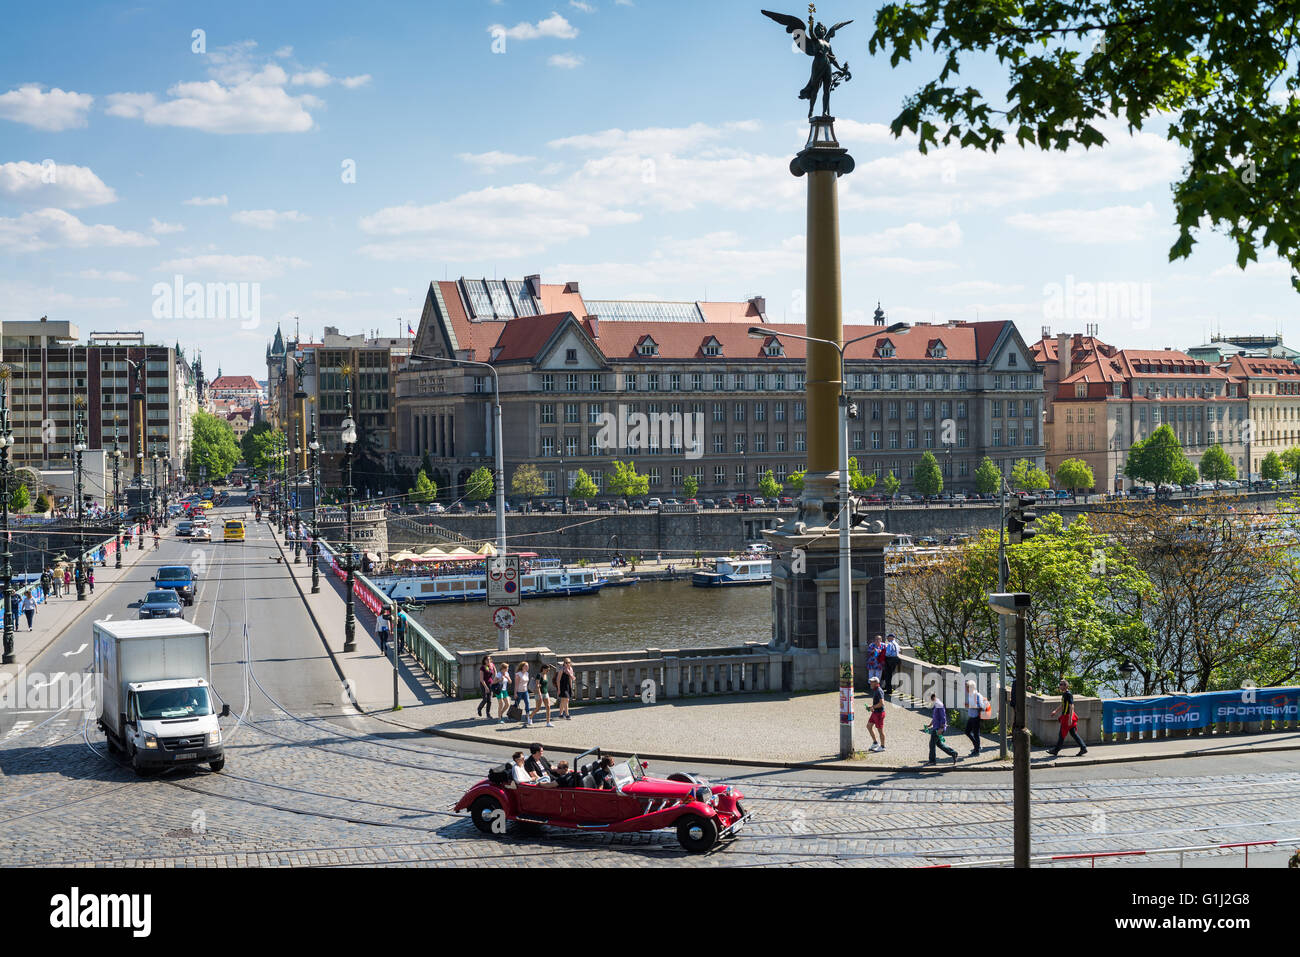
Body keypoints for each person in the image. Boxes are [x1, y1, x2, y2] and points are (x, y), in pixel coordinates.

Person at [1047, 679, 1088, 757]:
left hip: (1067, 717)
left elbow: (1071, 706)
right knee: (1073, 733)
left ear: (1066, 686)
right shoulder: (1064, 694)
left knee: (1062, 734)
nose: (1060, 686)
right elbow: (1063, 704)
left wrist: (1070, 719)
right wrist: (1055, 711)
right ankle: (1083, 747)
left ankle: (1056, 750)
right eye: (1060, 684)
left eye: (1062, 684)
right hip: (1066, 717)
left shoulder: (1068, 694)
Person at [925, 692, 959, 766]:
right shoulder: (936, 704)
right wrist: (930, 725)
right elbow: (935, 717)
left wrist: (941, 728)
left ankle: (932, 761)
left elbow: (943, 718)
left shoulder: (939, 705)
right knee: (939, 744)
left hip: (938, 728)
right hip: (936, 727)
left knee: (932, 744)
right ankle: (953, 753)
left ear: (932, 698)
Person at [964, 679, 989, 756]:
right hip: (971, 716)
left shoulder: (977, 695)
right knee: (967, 732)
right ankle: (977, 746)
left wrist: (970, 706)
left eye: (967, 688)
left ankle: (977, 751)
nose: (965, 689)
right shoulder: (970, 695)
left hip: (976, 717)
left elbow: (981, 706)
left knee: (976, 734)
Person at [866, 675, 886, 752]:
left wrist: (873, 707)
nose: (870, 683)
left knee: (880, 731)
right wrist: (871, 707)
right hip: (875, 713)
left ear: (876, 683)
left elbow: (882, 703)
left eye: (871, 682)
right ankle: (875, 743)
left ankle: (883, 746)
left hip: (879, 714)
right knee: (869, 726)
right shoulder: (875, 690)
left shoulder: (879, 691)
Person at [531, 663, 555, 727]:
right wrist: (540, 695)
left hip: (545, 692)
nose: (548, 671)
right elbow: (537, 685)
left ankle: (548, 722)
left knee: (548, 707)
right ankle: (530, 716)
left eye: (549, 670)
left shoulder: (546, 675)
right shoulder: (539, 675)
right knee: (538, 708)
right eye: (547, 670)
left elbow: (545, 685)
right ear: (543, 669)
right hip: (539, 693)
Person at [514, 661, 532, 728]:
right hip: (519, 691)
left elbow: (526, 683)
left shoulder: (527, 673)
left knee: (527, 703)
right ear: (522, 667)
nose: (527, 667)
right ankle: (510, 715)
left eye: (528, 666)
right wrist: (515, 693)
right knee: (516, 704)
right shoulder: (518, 674)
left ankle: (528, 717)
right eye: (526, 666)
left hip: (525, 691)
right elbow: (516, 684)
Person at [882, 633, 901, 700]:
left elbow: (888, 653)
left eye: (888, 637)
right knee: (890, 674)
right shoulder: (896, 644)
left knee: (888, 675)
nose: (887, 639)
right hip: (896, 659)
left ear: (891, 638)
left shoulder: (890, 644)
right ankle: (889, 689)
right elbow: (898, 651)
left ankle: (888, 690)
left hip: (890, 659)